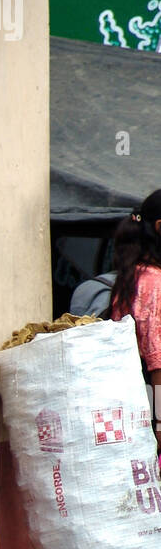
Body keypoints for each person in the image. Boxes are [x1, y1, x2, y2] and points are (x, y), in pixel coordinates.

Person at [109, 188, 161, 451]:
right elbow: (158, 362)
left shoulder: (131, 277)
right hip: (153, 413)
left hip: (134, 412)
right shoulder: (155, 283)